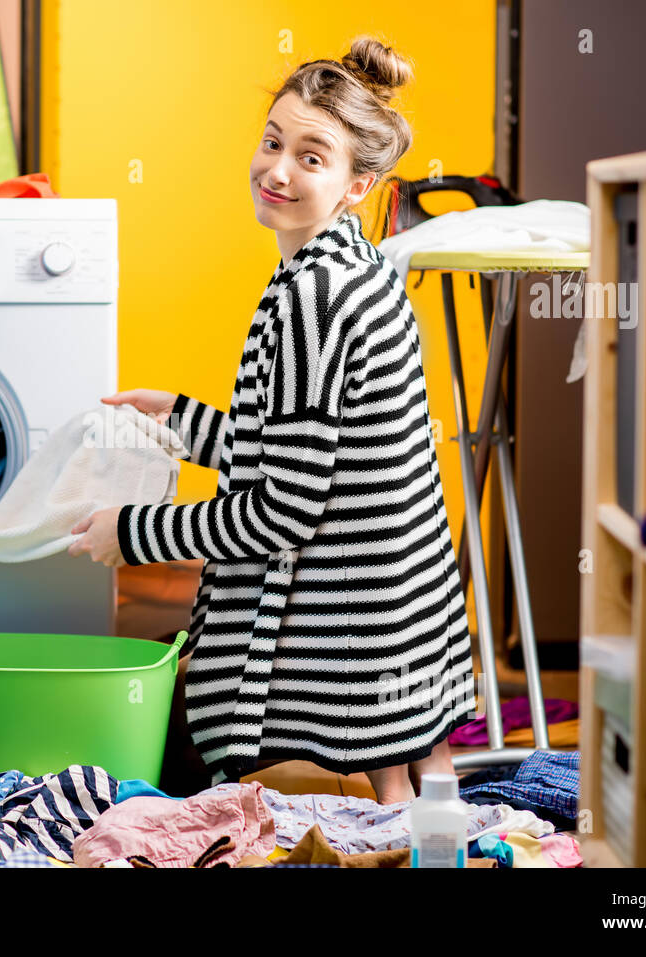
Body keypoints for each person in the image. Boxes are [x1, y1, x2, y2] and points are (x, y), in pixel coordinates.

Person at [68, 36, 476, 804]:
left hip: (354, 624)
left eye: (311, 157)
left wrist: (130, 533)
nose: (277, 169)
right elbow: (312, 448)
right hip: (408, 616)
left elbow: (280, 511)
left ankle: (394, 816)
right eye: (272, 140)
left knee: (172, 751)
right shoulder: (359, 270)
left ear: (359, 184)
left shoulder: (308, 301)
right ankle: (422, 813)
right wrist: (181, 421)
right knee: (416, 793)